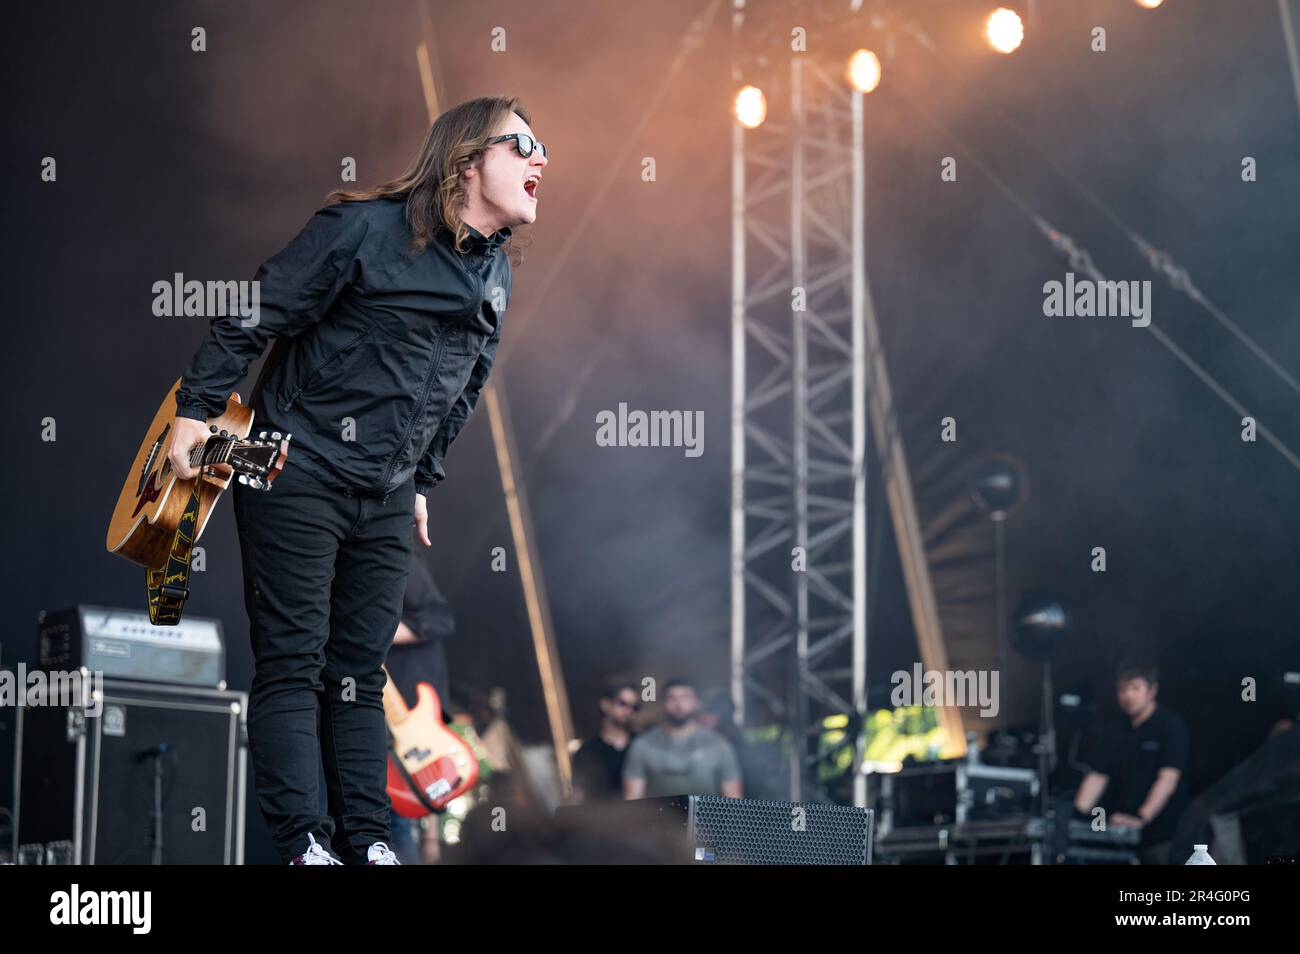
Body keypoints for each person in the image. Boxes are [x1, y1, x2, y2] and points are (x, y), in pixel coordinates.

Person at [169, 96, 547, 865]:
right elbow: (257, 310)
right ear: (469, 158)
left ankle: (370, 845)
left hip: (384, 494)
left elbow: (464, 385)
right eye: (526, 144)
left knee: (359, 673)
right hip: (294, 468)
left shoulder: (496, 270)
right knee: (294, 662)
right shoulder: (366, 229)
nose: (544, 160)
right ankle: (306, 845)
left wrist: (420, 481)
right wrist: (195, 408)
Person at [1072, 658, 1189, 864]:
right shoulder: (1113, 730)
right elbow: (1097, 776)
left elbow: (1168, 779)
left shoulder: (1170, 726)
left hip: (1161, 836)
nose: (1128, 696)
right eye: (1123, 689)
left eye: (1135, 688)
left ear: (1152, 690)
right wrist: (1075, 818)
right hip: (1120, 834)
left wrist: (1141, 818)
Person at [386, 552, 458, 863]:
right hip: (388, 713)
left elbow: (441, 618)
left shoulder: (400, 557)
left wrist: (372, 635)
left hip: (411, 712)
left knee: (397, 821)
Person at [623, 679, 743, 799]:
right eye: (672, 698)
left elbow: (733, 800)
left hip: (704, 817)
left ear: (696, 702)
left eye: (686, 698)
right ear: (663, 704)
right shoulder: (642, 744)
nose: (679, 704)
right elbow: (632, 799)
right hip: (656, 817)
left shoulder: (719, 745)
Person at [571, 683, 639, 801]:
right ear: (605, 704)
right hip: (603, 817)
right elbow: (580, 795)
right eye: (623, 704)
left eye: (634, 707)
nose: (629, 711)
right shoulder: (587, 752)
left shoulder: (642, 745)